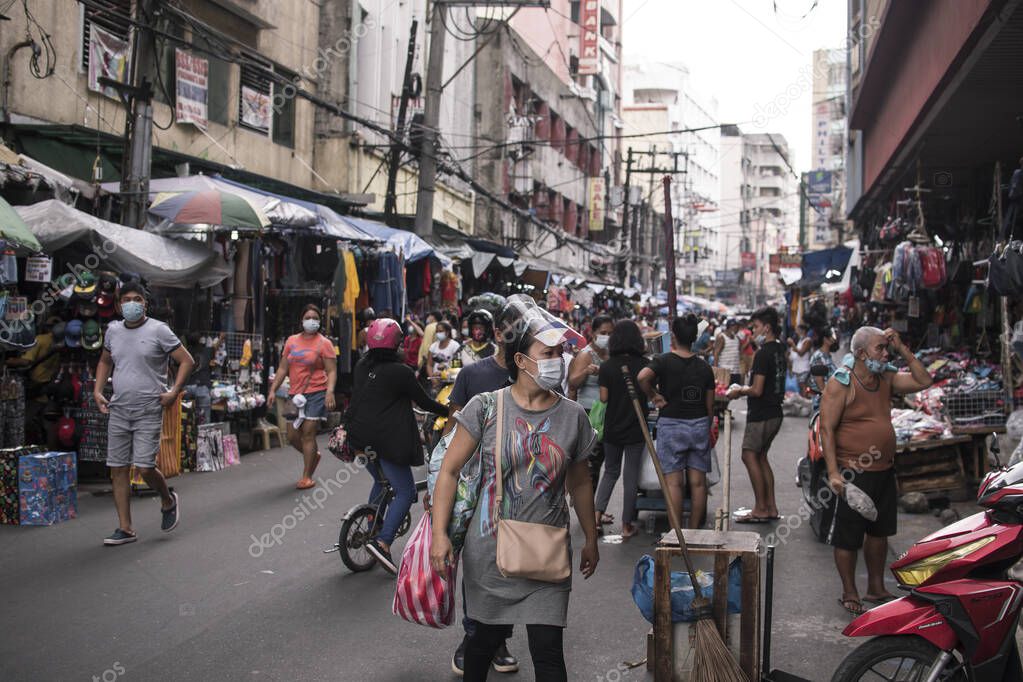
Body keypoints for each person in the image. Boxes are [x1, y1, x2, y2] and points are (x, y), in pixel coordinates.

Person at [430, 298, 598, 682]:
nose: (557, 360)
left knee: (549, 655)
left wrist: (591, 537)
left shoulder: (573, 416)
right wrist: (440, 535)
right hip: (490, 555)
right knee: (481, 649)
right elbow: (450, 471)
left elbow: (580, 481)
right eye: (547, 353)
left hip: (548, 551)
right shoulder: (485, 407)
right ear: (521, 360)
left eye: (560, 353)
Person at [819, 327, 933, 616]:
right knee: (848, 538)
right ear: (860, 354)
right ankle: (850, 592)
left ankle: (876, 587)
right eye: (880, 348)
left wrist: (902, 348)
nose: (886, 354)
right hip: (852, 473)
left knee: (879, 533)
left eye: (887, 348)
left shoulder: (886, 378)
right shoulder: (841, 384)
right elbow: (826, 429)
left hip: (884, 469)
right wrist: (833, 473)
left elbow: (924, 380)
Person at [443, 311, 518, 677]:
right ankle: (473, 637)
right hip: (474, 490)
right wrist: (439, 485)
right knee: (476, 566)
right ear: (496, 332)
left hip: (519, 491)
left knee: (511, 567)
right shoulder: (471, 375)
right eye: (508, 328)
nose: (513, 334)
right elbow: (450, 433)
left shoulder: (534, 376)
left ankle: (498, 639)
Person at [93, 283, 194, 546]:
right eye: (126, 299)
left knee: (145, 467)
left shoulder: (159, 330)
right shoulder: (113, 331)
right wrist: (97, 390)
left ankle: (167, 499)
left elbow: (187, 361)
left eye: (137, 299)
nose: (132, 304)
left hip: (149, 408)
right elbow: (105, 360)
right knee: (117, 468)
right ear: (118, 305)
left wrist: (173, 392)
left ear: (145, 304)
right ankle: (125, 528)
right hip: (119, 408)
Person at [349, 318, 450, 573]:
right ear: (396, 344)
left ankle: (372, 526)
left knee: (380, 481)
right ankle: (382, 542)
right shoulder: (401, 372)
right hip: (387, 442)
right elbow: (424, 402)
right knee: (405, 491)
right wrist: (449, 411)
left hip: (358, 439)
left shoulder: (361, 366)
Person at [638, 314, 715, 529]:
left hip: (671, 425)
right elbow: (710, 406)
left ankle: (676, 534)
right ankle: (694, 532)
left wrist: (654, 395)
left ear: (673, 336)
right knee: (698, 483)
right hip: (699, 423)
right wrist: (706, 425)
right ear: (694, 338)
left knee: (674, 484)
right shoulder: (704, 367)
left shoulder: (663, 361)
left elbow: (642, 377)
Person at [266, 304, 338, 490]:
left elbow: (331, 370)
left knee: (308, 433)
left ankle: (307, 476)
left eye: (315, 318)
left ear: (319, 321)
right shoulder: (291, 341)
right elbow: (283, 368)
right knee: (291, 435)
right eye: (308, 317)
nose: (311, 321)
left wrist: (329, 391)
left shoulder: (324, 343)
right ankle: (313, 455)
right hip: (295, 394)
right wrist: (273, 390)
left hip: (316, 392)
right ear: (301, 320)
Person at [727, 307, 786, 523]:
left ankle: (761, 508)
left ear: (767, 327)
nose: (753, 331)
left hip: (762, 413)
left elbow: (757, 389)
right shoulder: (779, 349)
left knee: (749, 455)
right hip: (775, 411)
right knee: (761, 457)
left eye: (756, 327)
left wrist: (739, 391)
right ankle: (770, 507)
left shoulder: (763, 353)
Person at [594, 320, 648, 538]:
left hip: (613, 427)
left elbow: (603, 398)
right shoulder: (645, 365)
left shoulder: (607, 366)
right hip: (636, 426)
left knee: (610, 472)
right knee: (631, 475)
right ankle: (626, 526)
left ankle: (596, 519)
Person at [567, 315, 614, 504]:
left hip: (605, 413)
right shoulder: (586, 355)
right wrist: (586, 372)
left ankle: (591, 506)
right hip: (589, 414)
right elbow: (572, 383)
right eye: (603, 333)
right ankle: (587, 506)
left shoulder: (610, 353)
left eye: (610, 333)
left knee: (599, 460)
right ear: (593, 333)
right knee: (592, 462)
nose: (606, 336)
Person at [183, 332, 215, 425]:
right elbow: (214, 348)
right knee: (204, 418)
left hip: (187, 386)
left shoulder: (184, 353)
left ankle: (187, 432)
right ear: (200, 341)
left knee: (186, 416)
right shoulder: (206, 351)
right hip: (202, 385)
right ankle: (203, 433)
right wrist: (221, 338)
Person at [808, 326, 838, 415]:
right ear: (825, 339)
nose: (834, 339)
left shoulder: (828, 356)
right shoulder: (819, 357)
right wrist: (828, 399)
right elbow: (820, 382)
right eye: (832, 337)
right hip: (822, 401)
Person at [713, 318, 742, 386]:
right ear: (730, 327)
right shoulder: (721, 337)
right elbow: (716, 354)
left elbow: (739, 352)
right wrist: (716, 371)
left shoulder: (737, 338)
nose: (738, 329)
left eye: (738, 327)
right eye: (736, 327)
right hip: (725, 371)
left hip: (736, 371)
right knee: (723, 391)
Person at [789, 324, 812, 392]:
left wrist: (792, 344)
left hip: (804, 367)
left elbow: (801, 353)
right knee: (799, 385)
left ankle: (805, 397)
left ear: (803, 331)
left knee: (803, 385)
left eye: (798, 330)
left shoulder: (808, 340)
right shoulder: (800, 340)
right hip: (797, 367)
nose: (796, 331)